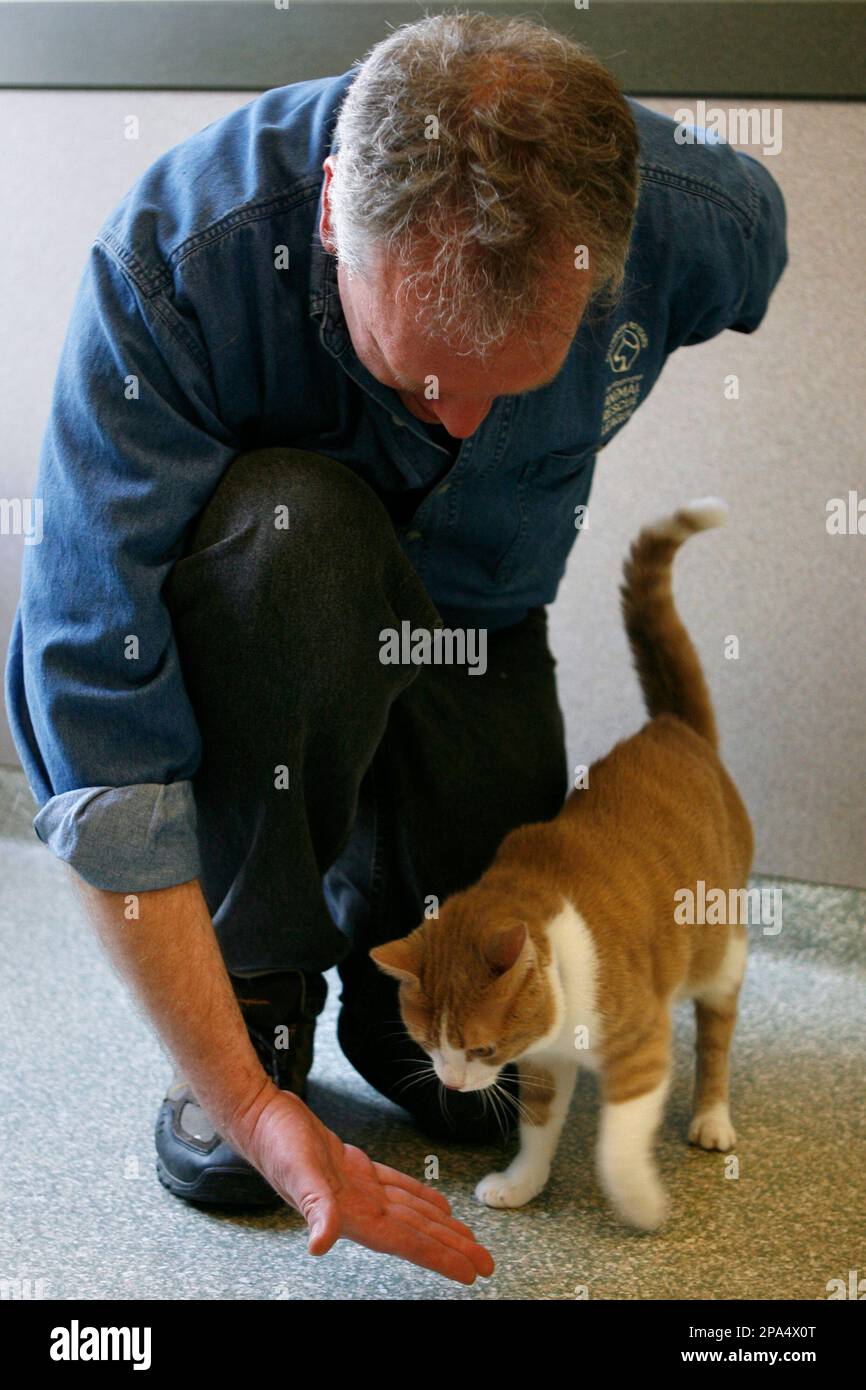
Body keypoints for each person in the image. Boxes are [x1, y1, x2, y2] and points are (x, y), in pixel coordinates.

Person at [3, 11, 787, 1285]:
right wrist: (254, 1109)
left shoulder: (697, 219)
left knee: (472, 1018)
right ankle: (265, 989)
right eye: (420, 378)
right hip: (289, 602)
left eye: (510, 384)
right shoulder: (172, 268)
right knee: (289, 530)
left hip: (479, 620)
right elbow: (95, 721)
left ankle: (380, 1001)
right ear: (329, 221)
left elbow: (767, 234)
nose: (461, 426)